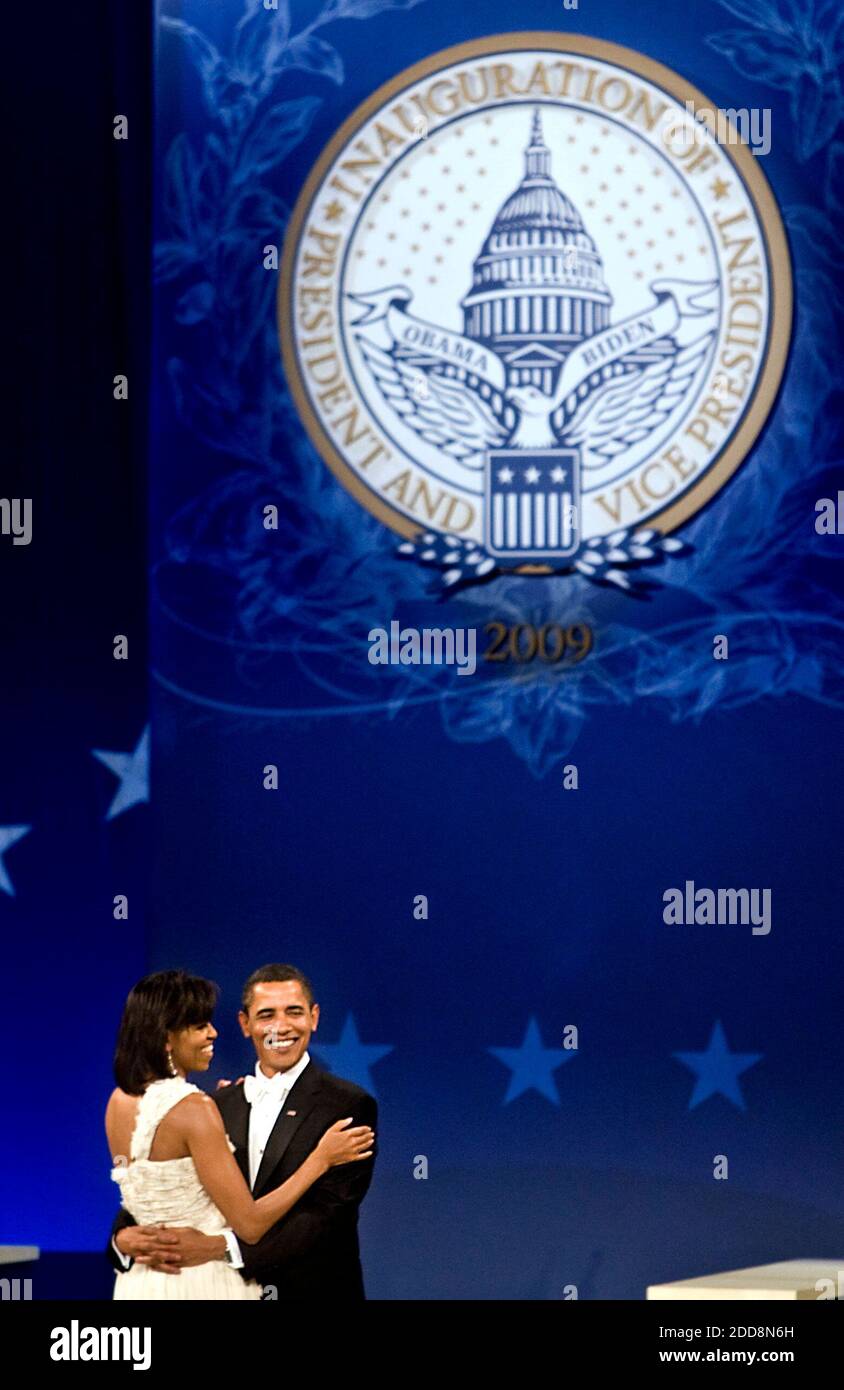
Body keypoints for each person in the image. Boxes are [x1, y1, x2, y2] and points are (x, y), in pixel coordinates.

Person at [109, 963, 378, 1300]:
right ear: (245, 1024)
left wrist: (220, 1249)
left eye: (293, 1012)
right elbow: (153, 1192)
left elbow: (325, 1219)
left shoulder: (348, 1105)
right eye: (266, 1015)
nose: (280, 1026)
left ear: (314, 1017)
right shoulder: (214, 1104)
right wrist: (121, 1238)